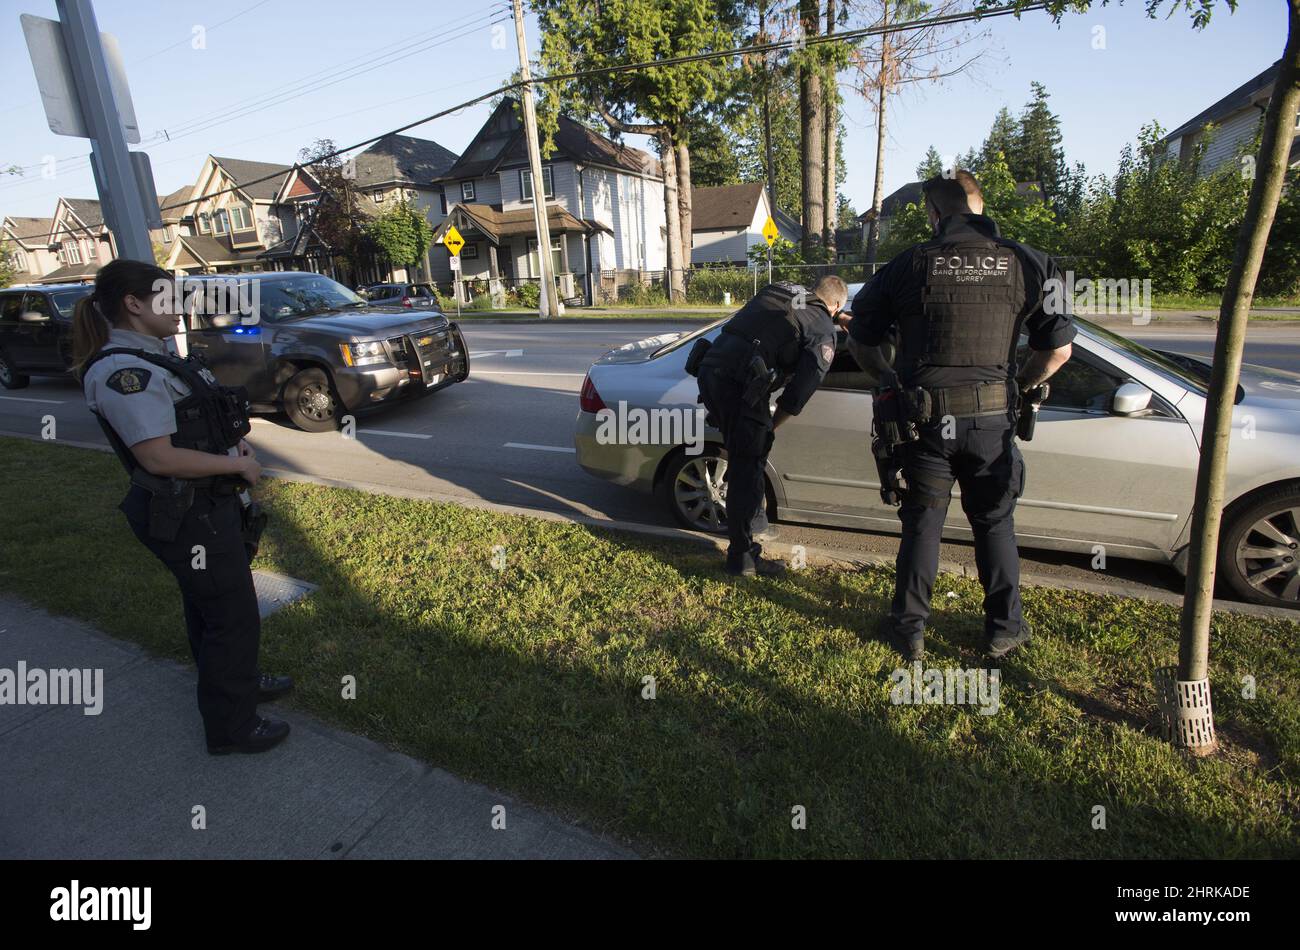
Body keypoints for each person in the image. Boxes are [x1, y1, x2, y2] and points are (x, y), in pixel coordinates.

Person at [846, 170, 1074, 661]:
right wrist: (1021, 384)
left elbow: (861, 341)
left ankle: (908, 630)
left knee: (923, 523)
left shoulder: (907, 264)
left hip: (924, 422)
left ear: (933, 213)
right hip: (992, 421)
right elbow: (1057, 351)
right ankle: (1004, 630)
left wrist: (887, 379)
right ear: (980, 206)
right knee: (994, 523)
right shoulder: (1031, 262)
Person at [73, 259, 292, 755]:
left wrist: (232, 450)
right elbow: (157, 456)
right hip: (188, 516)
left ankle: (239, 684)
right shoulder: (124, 371)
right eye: (167, 298)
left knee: (211, 609)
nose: (180, 308)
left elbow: (195, 426)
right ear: (133, 304)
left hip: (204, 509)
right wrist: (234, 468)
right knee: (231, 617)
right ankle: (232, 729)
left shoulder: (156, 357)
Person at [695, 275, 848, 576]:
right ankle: (742, 559)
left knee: (744, 455)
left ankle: (751, 530)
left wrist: (835, 313)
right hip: (738, 386)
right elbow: (798, 395)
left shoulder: (780, 288)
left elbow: (798, 309)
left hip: (709, 372)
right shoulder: (823, 330)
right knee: (747, 468)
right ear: (836, 306)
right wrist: (771, 427)